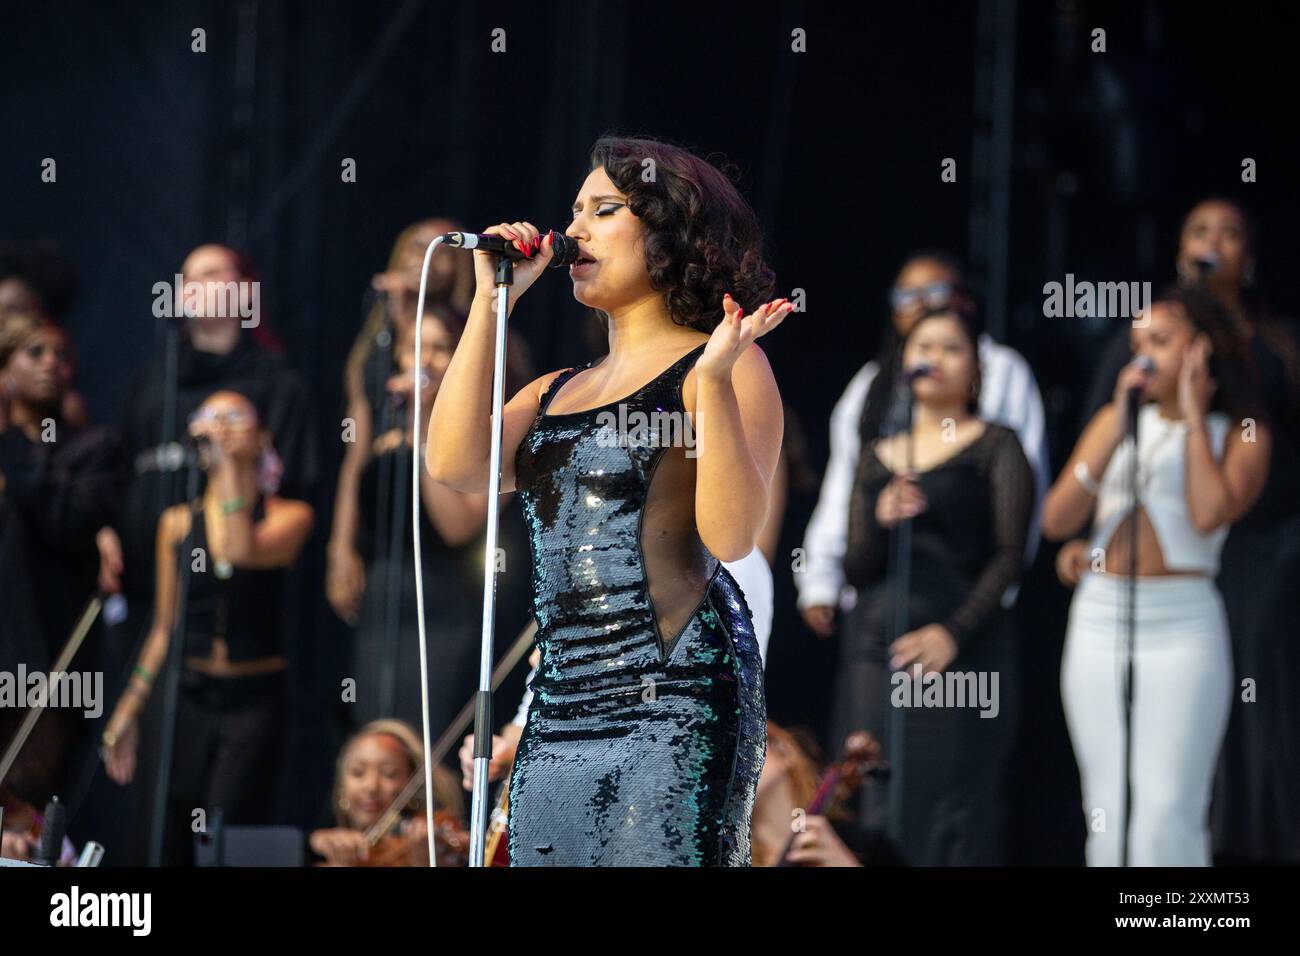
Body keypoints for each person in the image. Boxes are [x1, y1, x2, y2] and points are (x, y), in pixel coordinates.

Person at [426, 135, 787, 866]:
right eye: (574, 211)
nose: (574, 230)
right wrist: (495, 299)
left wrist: (714, 382)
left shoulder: (723, 361)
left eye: (603, 210)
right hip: (559, 708)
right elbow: (455, 464)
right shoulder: (557, 388)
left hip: (677, 699)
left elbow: (732, 533)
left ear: (665, 232)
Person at [1083, 198, 1300, 864]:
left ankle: (1253, 850)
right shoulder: (1148, 339)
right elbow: (1101, 446)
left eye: (1230, 233)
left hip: (1256, 538)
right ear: (1181, 252)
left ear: (1251, 258)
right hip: (1157, 549)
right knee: (1127, 776)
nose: (1214, 243)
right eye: (1200, 231)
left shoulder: (1275, 342)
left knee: (1247, 703)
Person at [1046, 285, 1271, 866]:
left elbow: (1206, 512)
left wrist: (1193, 415)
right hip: (1100, 617)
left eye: (1162, 341)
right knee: (1107, 810)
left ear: (1201, 349)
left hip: (1182, 625)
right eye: (1136, 342)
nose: (1143, 354)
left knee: (1166, 808)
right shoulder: (1114, 420)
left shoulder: (1240, 432)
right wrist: (1117, 425)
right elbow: (1055, 520)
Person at [837, 301, 1034, 865]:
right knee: (881, 794)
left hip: (964, 650)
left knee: (955, 808)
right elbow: (855, 568)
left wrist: (952, 632)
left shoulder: (996, 444)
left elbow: (1009, 557)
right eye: (923, 347)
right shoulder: (879, 453)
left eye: (951, 348)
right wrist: (881, 518)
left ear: (974, 368)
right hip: (881, 651)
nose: (935, 359)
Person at [100, 390, 314, 865]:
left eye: (236, 416)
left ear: (262, 438)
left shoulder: (290, 515)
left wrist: (233, 465)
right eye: (213, 417)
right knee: (163, 829)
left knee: (227, 830)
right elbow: (163, 627)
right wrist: (128, 708)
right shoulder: (177, 523)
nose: (223, 425)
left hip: (251, 700)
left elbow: (242, 551)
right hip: (186, 693)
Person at [797, 251, 1047, 640]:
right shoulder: (870, 384)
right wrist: (820, 581)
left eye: (934, 291)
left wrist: (999, 592)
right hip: (881, 598)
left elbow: (1025, 488)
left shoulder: (1001, 369)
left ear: (963, 299)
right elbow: (842, 486)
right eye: (906, 295)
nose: (919, 304)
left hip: (965, 596)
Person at [97, 244, 319, 668]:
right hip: (140, 576)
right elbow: (118, 463)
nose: (195, 284)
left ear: (245, 291)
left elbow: (291, 485)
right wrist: (106, 529)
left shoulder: (276, 381)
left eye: (212, 272)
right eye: (188, 276)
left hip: (230, 589)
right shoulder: (154, 376)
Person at [0, 315, 122, 809]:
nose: (51, 364)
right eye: (34, 353)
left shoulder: (90, 449)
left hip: (45, 666)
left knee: (24, 808)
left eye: (62, 355)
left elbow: (69, 520)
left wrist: (9, 436)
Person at [309, 719, 465, 867]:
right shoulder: (318, 850)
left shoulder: (428, 844)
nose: (371, 787)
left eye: (389, 773)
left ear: (410, 781)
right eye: (358, 772)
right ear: (342, 784)